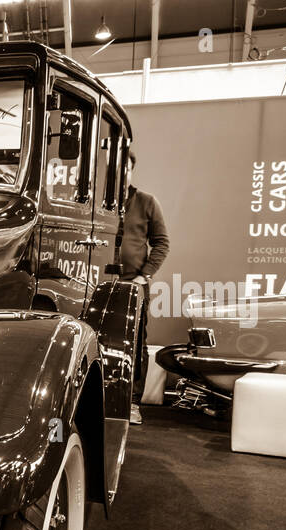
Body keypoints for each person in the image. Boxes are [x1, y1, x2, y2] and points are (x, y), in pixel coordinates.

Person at [118, 149, 170, 424]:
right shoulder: (95, 203)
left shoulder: (146, 201)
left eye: (124, 167)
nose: (119, 172)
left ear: (130, 170)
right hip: (96, 284)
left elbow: (162, 243)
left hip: (132, 286)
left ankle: (132, 403)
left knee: (134, 345)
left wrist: (144, 275)